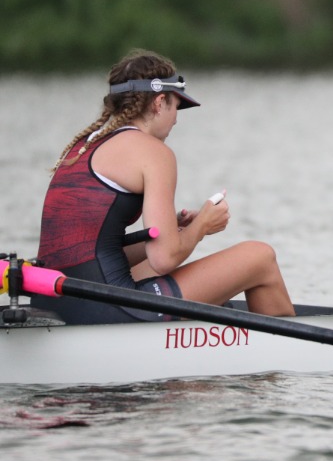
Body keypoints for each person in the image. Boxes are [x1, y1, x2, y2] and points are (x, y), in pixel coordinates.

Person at [33, 49, 294, 324]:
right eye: (175, 107)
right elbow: (165, 258)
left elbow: (93, 254)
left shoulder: (81, 148)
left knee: (155, 266)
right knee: (259, 257)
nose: (176, 119)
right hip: (107, 308)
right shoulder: (153, 153)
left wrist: (177, 231)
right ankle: (284, 346)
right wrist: (201, 226)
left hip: (53, 302)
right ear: (159, 102)